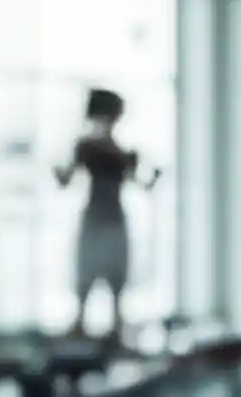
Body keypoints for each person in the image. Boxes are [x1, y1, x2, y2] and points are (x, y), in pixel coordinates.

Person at [54, 89, 161, 339]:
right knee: (87, 276)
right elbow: (65, 179)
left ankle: (114, 330)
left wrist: (155, 176)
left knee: (115, 278)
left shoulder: (122, 153)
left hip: (112, 218)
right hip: (97, 217)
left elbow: (143, 184)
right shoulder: (88, 147)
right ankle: (82, 326)